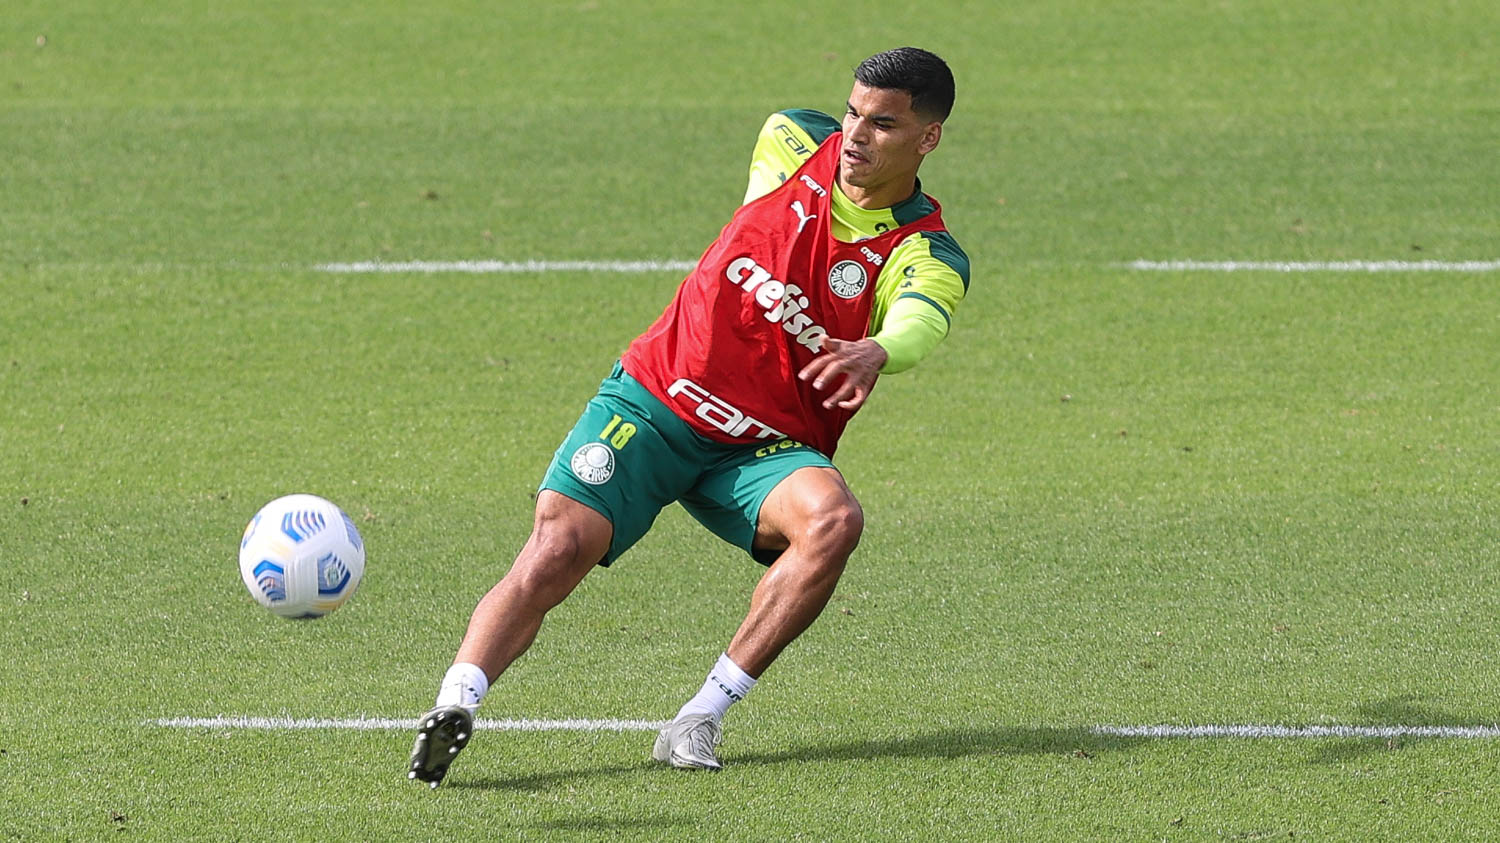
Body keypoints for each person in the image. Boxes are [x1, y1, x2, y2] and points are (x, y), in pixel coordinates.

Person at [408, 46, 970, 786]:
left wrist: (878, 349)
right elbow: (791, 124)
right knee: (557, 546)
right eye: (853, 113)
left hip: (762, 448)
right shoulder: (794, 141)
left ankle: (700, 716)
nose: (857, 136)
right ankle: (454, 707)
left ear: (929, 138)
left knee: (834, 520)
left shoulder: (925, 250)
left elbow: (922, 317)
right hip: (656, 401)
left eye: (884, 125)